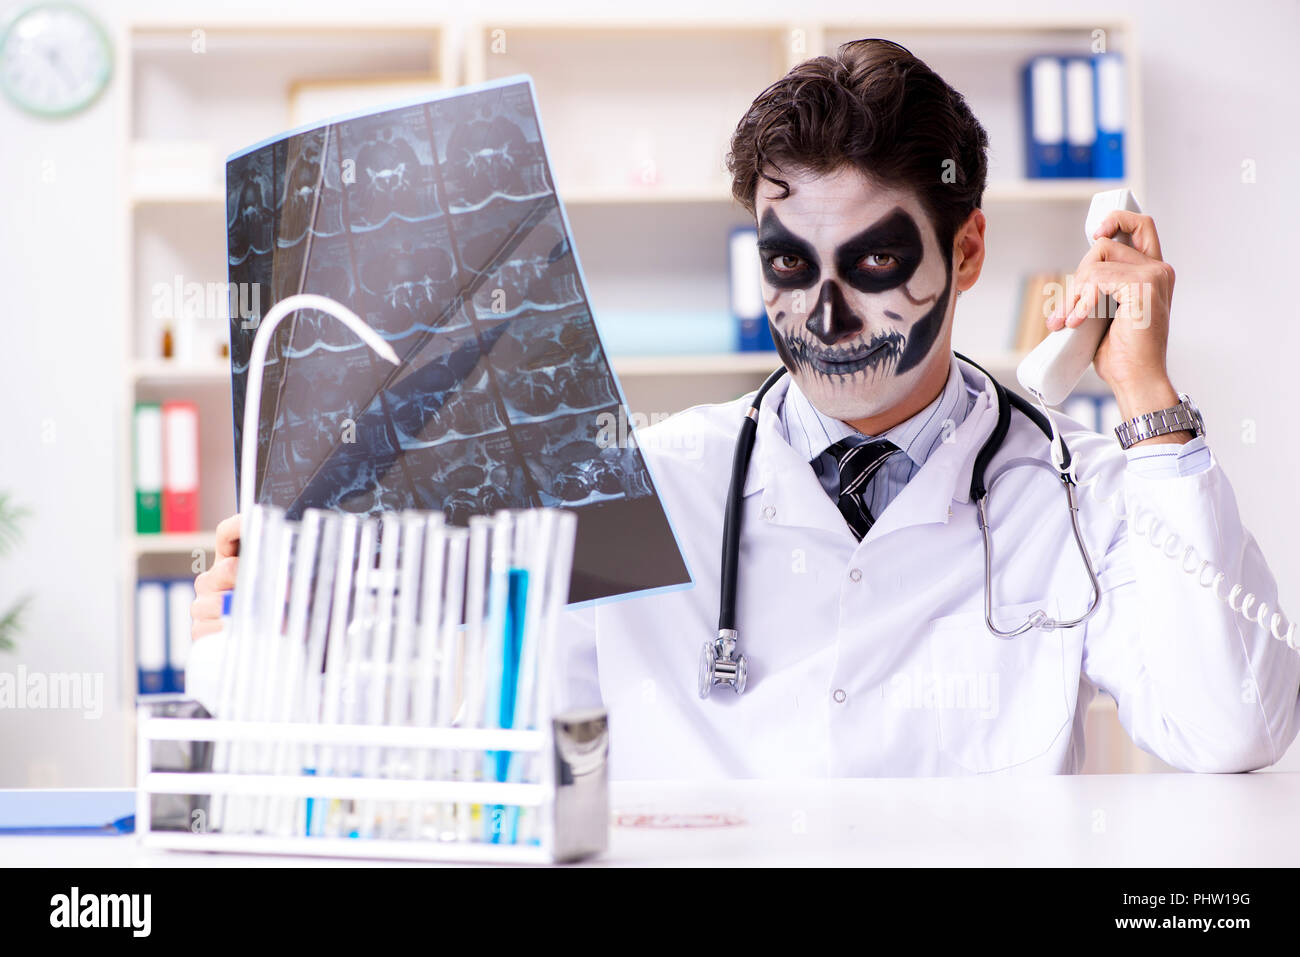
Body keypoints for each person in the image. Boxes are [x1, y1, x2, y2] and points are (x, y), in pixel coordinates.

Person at [192, 39, 1300, 779]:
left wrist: (1146, 398)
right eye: (785, 260)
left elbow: (1233, 729)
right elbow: (441, 737)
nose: (821, 311)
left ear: (964, 252)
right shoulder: (640, 479)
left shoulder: (1075, 490)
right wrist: (267, 630)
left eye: (873, 260)